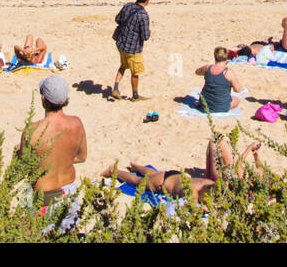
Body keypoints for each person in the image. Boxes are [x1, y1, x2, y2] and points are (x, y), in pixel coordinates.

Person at [102, 139, 264, 204]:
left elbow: (239, 168)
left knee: (151, 174)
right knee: (136, 182)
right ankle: (113, 171)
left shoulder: (212, 185)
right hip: (163, 183)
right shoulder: (195, 194)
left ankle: (136, 166)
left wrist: (251, 151)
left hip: (175, 176)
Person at [20, 76, 88, 213]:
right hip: (69, 192)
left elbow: (23, 166)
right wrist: (63, 159)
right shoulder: (76, 123)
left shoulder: (31, 130)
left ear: (43, 99)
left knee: (31, 231)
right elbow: (82, 157)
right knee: (68, 232)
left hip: (43, 198)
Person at [111, 0, 151, 101]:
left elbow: (117, 19)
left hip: (121, 43)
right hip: (133, 49)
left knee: (123, 66)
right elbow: (145, 36)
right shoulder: (143, 15)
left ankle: (115, 88)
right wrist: (149, 31)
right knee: (135, 72)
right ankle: (135, 95)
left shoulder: (127, 6)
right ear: (148, 0)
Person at [193, 47, 245, 114]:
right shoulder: (228, 73)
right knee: (236, 100)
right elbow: (237, 90)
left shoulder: (207, 68)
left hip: (204, 104)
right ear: (226, 58)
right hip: (220, 107)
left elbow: (197, 72)